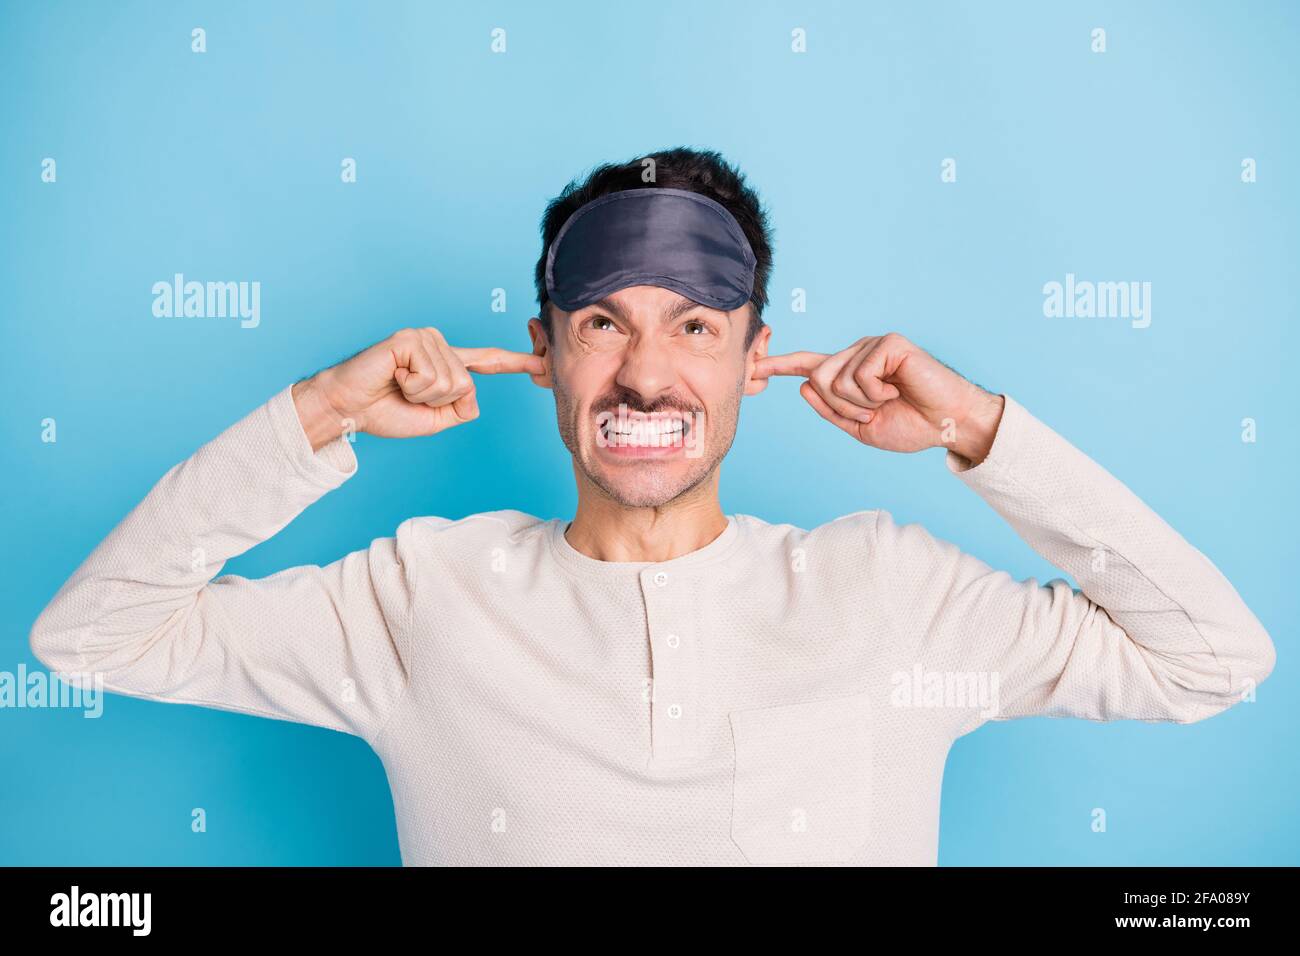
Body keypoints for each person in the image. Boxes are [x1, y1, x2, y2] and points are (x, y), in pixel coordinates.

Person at [30, 147, 1275, 866]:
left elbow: (1214, 658)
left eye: (694, 325)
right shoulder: (419, 595)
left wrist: (980, 429)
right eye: (600, 324)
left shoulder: (894, 593)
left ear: (756, 357)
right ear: (543, 352)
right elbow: (91, 635)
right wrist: (317, 413)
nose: (642, 370)